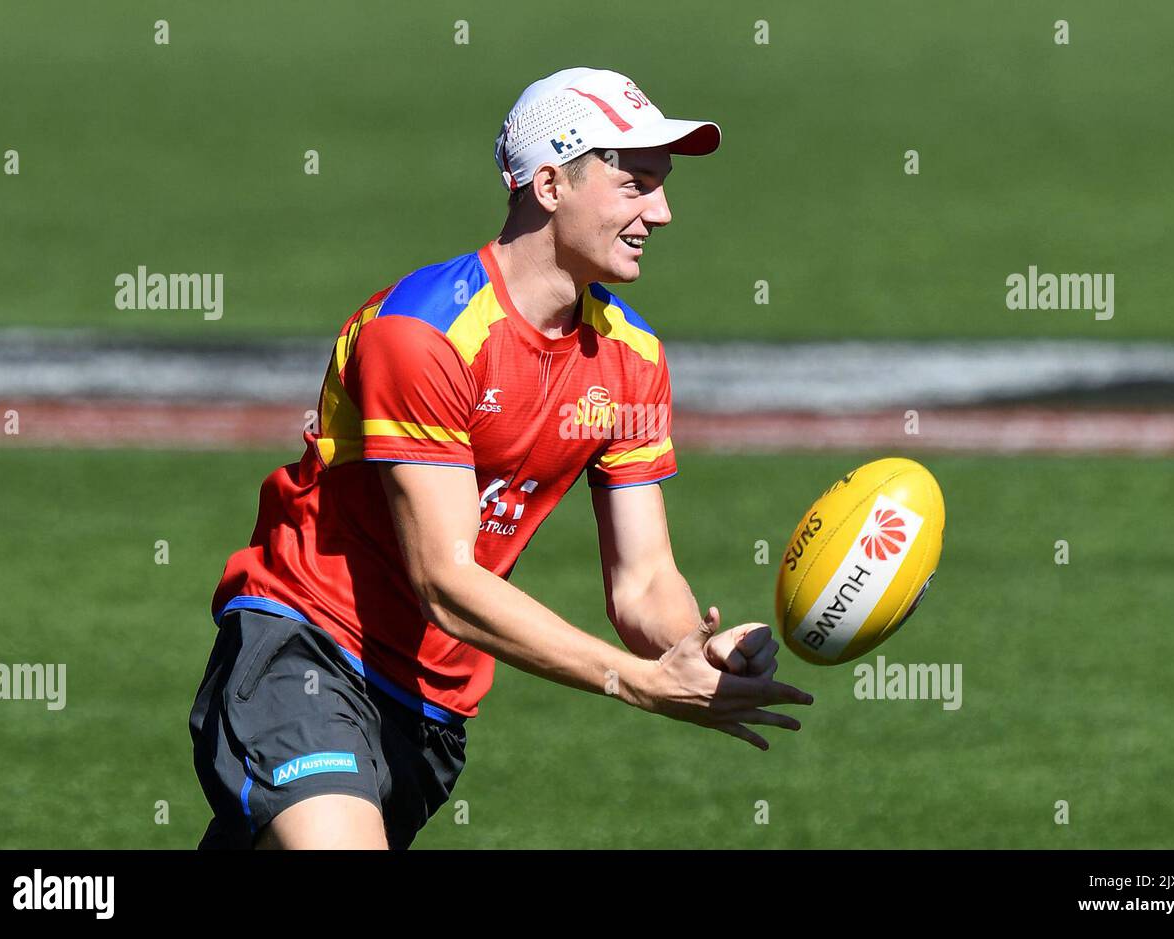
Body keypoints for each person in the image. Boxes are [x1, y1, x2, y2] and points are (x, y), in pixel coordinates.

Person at [189, 66, 814, 850]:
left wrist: (692, 646)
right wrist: (641, 681)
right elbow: (445, 581)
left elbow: (644, 579)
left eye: (662, 186)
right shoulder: (422, 333)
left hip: (430, 708)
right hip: (308, 649)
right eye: (637, 185)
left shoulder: (634, 355)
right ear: (551, 184)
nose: (661, 212)